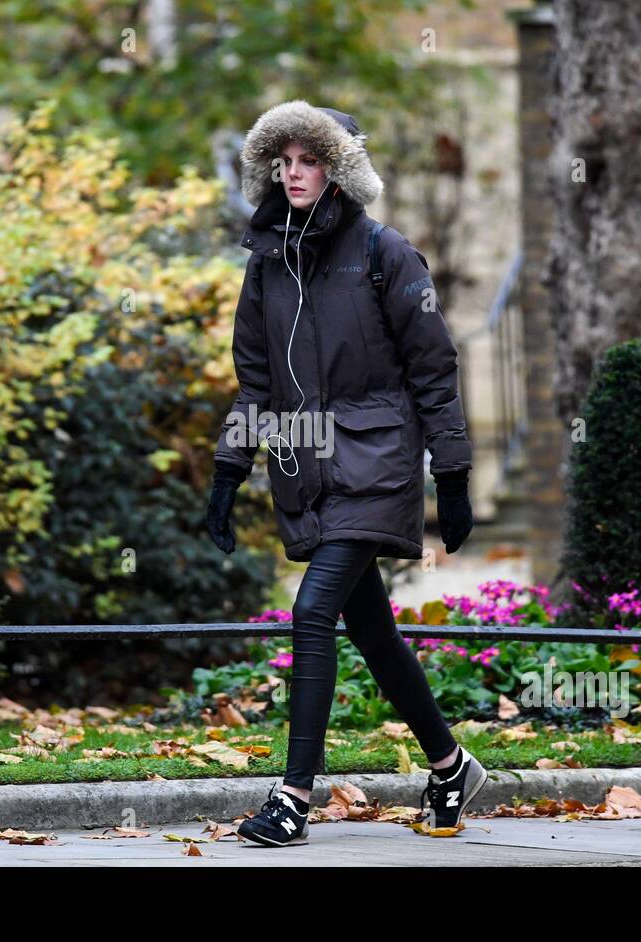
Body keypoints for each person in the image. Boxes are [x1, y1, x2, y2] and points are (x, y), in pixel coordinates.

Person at [204, 100, 488, 847]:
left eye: (310, 160)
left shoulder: (384, 252)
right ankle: (452, 765)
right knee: (372, 630)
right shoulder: (268, 262)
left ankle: (295, 796)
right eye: (285, 162)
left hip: (377, 460)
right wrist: (228, 472)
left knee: (311, 610)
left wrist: (452, 474)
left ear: (340, 168)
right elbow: (256, 379)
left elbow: (434, 368)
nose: (294, 174)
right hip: (305, 469)